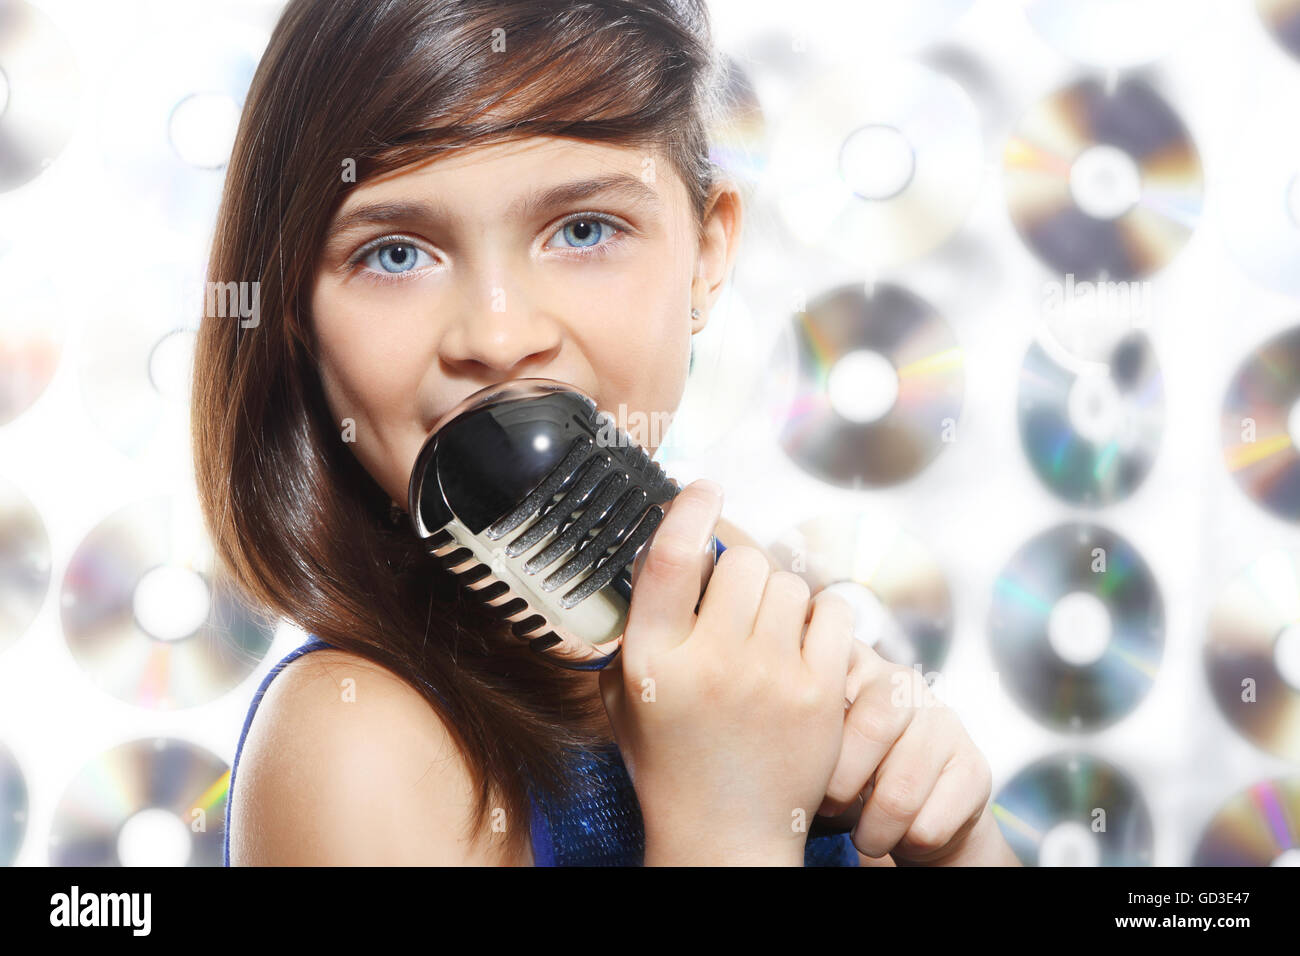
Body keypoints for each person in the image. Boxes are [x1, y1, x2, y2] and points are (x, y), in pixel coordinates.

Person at [193, 0, 1020, 866]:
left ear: (706, 255)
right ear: (290, 305)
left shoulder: (728, 585)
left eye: (583, 230)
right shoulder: (350, 744)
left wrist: (958, 841)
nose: (499, 336)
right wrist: (727, 831)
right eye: (397, 252)